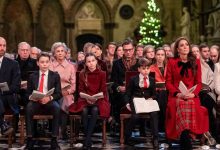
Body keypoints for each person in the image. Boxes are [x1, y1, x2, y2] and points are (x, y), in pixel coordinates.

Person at [165, 37, 211, 150]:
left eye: (186, 44)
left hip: (191, 95)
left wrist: (193, 94)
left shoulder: (196, 61)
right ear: (177, 49)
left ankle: (184, 138)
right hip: (176, 95)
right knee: (181, 103)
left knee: (189, 102)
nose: (185, 47)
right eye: (182, 45)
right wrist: (178, 94)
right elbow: (168, 83)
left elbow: (199, 83)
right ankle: (185, 138)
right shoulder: (171, 62)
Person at [69, 53, 110, 149]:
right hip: (85, 99)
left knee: (95, 109)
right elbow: (81, 90)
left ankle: (87, 138)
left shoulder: (102, 73)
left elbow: (103, 90)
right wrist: (87, 97)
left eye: (93, 61)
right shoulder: (82, 74)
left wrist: (95, 98)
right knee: (84, 110)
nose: (91, 63)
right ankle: (88, 138)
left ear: (96, 61)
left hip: (98, 99)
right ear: (86, 63)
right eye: (88, 61)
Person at [25, 52, 62, 150]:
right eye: (42, 62)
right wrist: (31, 97)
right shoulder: (32, 76)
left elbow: (59, 93)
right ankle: (30, 138)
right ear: (37, 63)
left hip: (49, 101)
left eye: (47, 62)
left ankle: (54, 139)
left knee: (57, 107)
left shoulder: (55, 76)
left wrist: (49, 98)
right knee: (28, 107)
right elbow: (27, 93)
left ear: (49, 63)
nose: (44, 64)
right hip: (36, 101)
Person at [124, 58, 159, 148]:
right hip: (136, 100)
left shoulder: (151, 80)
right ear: (139, 69)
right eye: (143, 68)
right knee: (135, 116)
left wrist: (151, 98)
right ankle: (127, 137)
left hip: (147, 101)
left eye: (147, 68)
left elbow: (154, 94)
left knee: (154, 114)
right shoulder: (133, 79)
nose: (146, 70)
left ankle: (155, 138)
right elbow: (128, 93)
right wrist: (127, 103)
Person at [49, 42, 76, 140]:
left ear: (65, 53)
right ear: (54, 53)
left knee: (65, 100)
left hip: (67, 93)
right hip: (53, 93)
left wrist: (68, 92)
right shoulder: (50, 66)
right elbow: (48, 83)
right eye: (57, 51)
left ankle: (61, 130)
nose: (60, 53)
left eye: (62, 51)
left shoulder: (71, 67)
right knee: (58, 99)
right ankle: (58, 131)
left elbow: (73, 85)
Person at [0, 37, 20, 136]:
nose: (2, 48)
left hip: (6, 97)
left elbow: (16, 87)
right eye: (0, 45)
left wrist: (2, 90)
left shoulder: (13, 64)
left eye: (4, 45)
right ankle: (3, 125)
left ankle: (3, 125)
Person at [150, 47, 168, 131]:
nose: (160, 56)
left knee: (163, 94)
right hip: (156, 92)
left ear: (165, 56)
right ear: (155, 56)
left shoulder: (169, 67)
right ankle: (162, 125)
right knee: (161, 95)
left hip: (168, 92)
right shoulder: (151, 68)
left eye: (162, 55)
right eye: (158, 54)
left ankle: (162, 126)